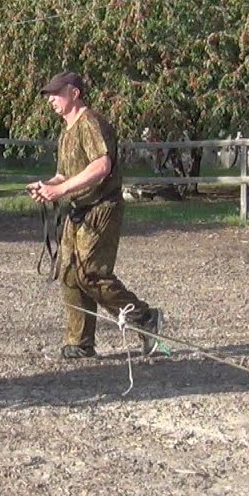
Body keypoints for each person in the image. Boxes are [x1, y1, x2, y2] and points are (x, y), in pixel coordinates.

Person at [26, 71, 163, 359]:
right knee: (69, 273)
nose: (50, 99)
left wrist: (61, 189)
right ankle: (80, 342)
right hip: (77, 210)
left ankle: (144, 318)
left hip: (101, 209)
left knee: (91, 273)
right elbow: (65, 173)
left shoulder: (91, 123)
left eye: (55, 93)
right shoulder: (67, 131)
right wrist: (48, 186)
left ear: (74, 93)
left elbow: (101, 166)